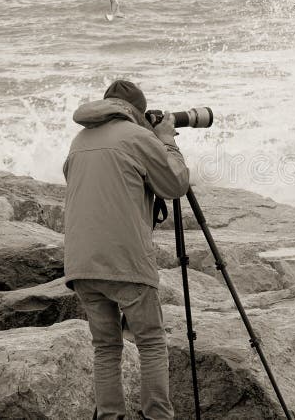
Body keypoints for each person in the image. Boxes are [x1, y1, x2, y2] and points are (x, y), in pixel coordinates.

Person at [63, 80, 189, 420]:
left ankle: (109, 416)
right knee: (149, 341)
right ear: (136, 112)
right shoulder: (138, 137)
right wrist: (167, 142)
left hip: (80, 263)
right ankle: (158, 417)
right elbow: (175, 184)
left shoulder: (79, 140)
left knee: (105, 347)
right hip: (126, 261)